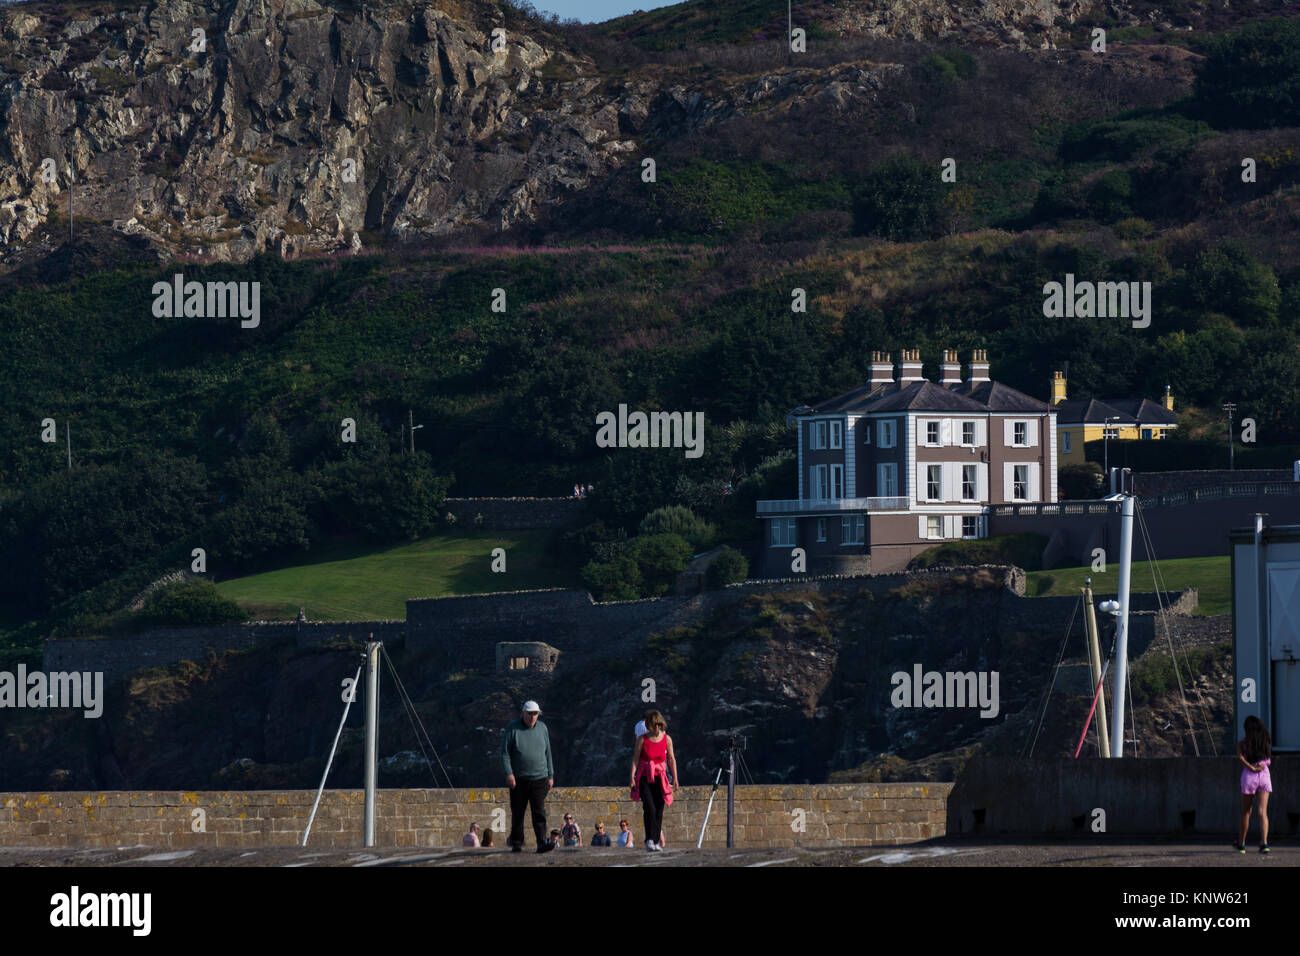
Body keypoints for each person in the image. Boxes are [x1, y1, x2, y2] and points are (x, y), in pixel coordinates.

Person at [501, 699, 555, 854]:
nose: (533, 717)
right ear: (523, 713)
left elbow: (548, 753)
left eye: (535, 714)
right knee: (518, 812)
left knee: (539, 812)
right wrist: (509, 773)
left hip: (540, 778)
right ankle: (517, 843)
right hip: (519, 779)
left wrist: (550, 775)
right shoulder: (512, 729)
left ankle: (541, 843)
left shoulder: (543, 728)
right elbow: (504, 753)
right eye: (530, 714)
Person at [630, 710, 679, 852]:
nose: (657, 727)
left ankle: (656, 841)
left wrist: (675, 778)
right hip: (645, 776)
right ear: (650, 725)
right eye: (654, 725)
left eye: (659, 725)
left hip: (661, 777)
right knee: (649, 808)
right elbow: (635, 759)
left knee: (659, 809)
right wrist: (631, 777)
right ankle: (649, 839)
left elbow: (671, 759)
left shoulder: (667, 739)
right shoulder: (642, 739)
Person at [1237, 715, 1272, 853]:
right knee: (1262, 812)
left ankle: (1242, 844)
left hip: (1249, 776)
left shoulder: (1243, 743)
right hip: (1264, 775)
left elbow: (1240, 756)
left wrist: (1251, 767)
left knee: (1246, 812)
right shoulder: (1264, 742)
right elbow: (1268, 758)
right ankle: (1264, 843)